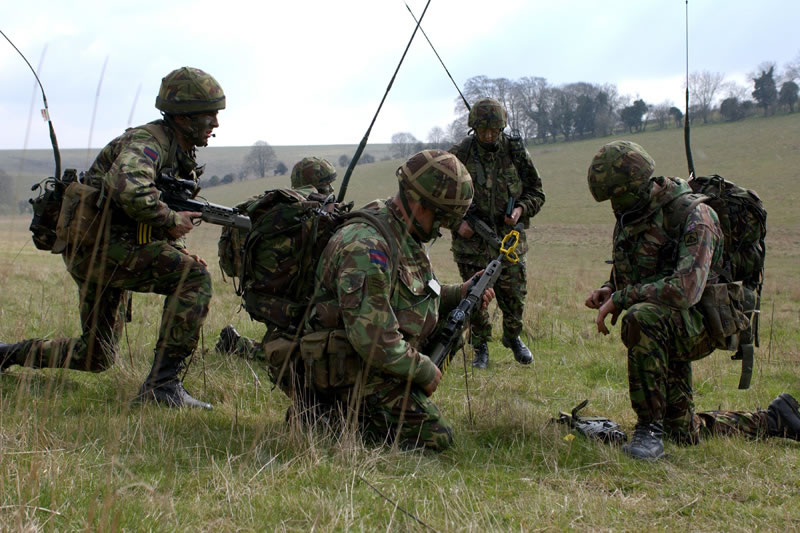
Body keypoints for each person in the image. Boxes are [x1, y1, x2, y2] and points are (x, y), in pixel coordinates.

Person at [0, 66, 224, 409]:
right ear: (183, 116)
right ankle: (162, 387)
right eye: (209, 116)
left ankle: (6, 355)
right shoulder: (148, 143)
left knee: (95, 355)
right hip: (102, 250)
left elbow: (153, 207)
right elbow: (130, 189)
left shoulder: (177, 150)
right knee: (193, 279)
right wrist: (170, 219)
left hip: (102, 249)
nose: (216, 125)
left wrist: (175, 244)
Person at [585, 140, 800, 459]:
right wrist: (610, 286)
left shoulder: (695, 215)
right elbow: (643, 266)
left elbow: (685, 290)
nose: (615, 206)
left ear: (638, 184)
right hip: (670, 321)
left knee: (640, 318)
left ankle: (649, 432)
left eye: (618, 195)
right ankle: (775, 421)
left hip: (702, 320)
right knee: (683, 433)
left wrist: (622, 297)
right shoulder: (635, 213)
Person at [265, 149, 487, 451]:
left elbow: (413, 293)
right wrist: (423, 369)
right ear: (419, 204)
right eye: (441, 218)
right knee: (435, 437)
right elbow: (374, 340)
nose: (442, 229)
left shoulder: (402, 226)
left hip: (365, 359)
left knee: (453, 322)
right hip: (345, 368)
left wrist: (461, 293)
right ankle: (325, 416)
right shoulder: (368, 247)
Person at [449, 97, 545, 369]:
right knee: (475, 298)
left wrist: (521, 210)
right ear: (473, 128)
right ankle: (480, 347)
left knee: (514, 297)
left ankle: (513, 338)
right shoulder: (460, 154)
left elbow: (537, 192)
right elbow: (438, 195)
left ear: (502, 128)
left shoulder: (515, 153)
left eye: (494, 130)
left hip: (509, 243)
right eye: (483, 130)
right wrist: (457, 223)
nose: (489, 136)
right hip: (472, 244)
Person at [215, 156, 339, 359]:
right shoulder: (312, 215)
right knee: (305, 356)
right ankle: (243, 346)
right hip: (296, 308)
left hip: (257, 299)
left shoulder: (264, 208)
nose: (331, 191)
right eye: (327, 186)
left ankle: (240, 344)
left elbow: (231, 267)